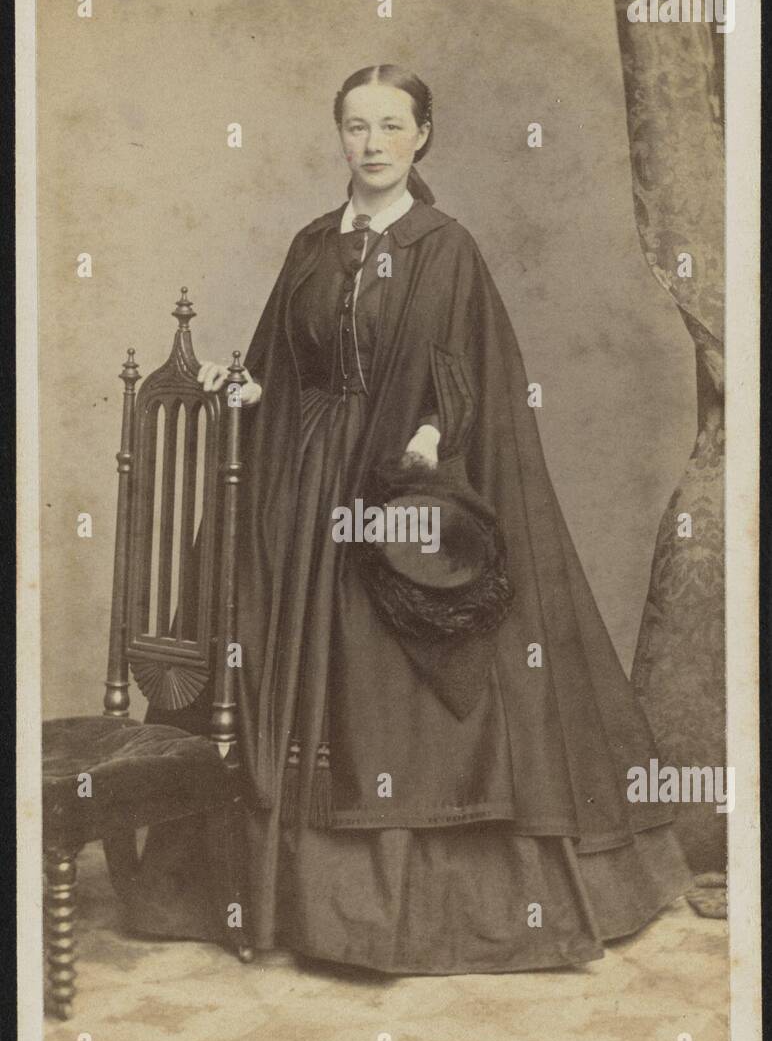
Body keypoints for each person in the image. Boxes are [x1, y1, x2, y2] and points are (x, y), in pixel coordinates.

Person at [129, 64, 691, 974]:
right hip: (306, 479)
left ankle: (406, 914)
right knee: (270, 636)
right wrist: (251, 386)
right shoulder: (313, 243)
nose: (375, 143)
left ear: (423, 135)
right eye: (358, 126)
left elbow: (470, 370)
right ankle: (278, 902)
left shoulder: (446, 245)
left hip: (397, 475)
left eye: (393, 126)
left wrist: (430, 438)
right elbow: (284, 359)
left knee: (393, 683)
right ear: (340, 136)